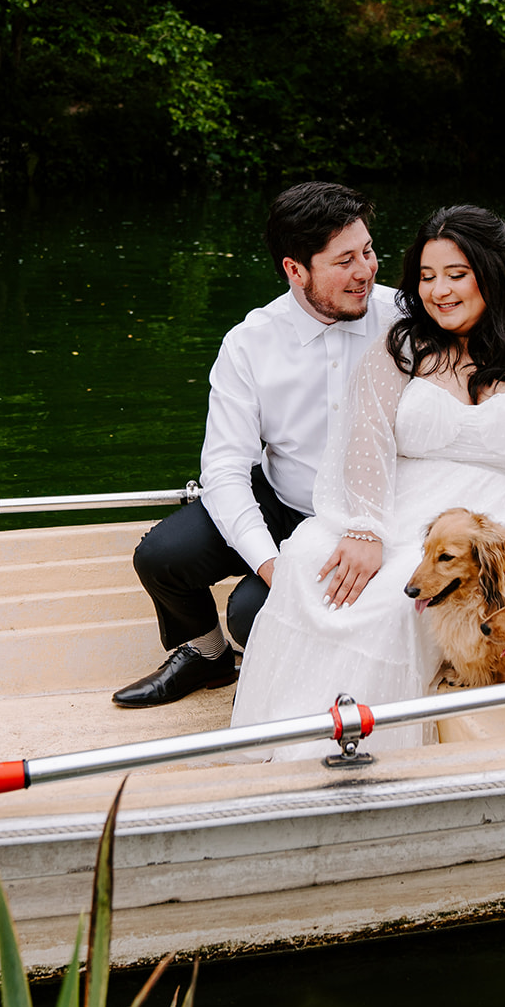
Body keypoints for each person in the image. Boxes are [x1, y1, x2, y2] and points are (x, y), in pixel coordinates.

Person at [229, 204, 505, 757]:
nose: (440, 292)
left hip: (496, 522)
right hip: (399, 509)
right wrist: (364, 527)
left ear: (493, 272)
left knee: (396, 602)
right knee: (316, 561)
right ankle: (304, 740)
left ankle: (385, 749)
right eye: (427, 278)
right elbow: (366, 441)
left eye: (457, 275)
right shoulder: (401, 349)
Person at [112, 181, 399, 708]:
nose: (366, 271)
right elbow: (223, 468)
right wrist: (271, 563)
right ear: (296, 270)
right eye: (345, 261)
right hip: (284, 496)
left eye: (368, 251)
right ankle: (206, 655)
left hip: (366, 511)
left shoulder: (405, 318)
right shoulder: (250, 342)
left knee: (251, 613)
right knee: (160, 557)